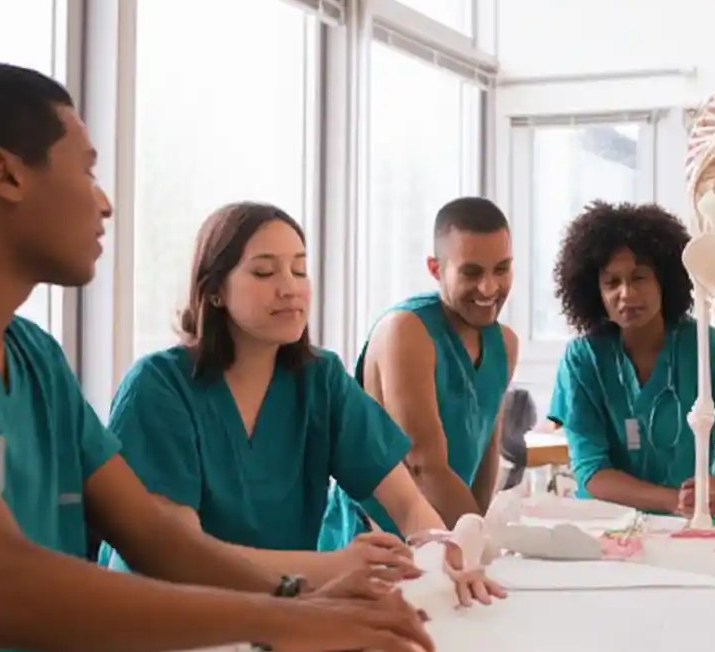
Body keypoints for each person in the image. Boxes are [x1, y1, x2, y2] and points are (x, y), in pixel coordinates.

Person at [0, 60, 431, 652]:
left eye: (298, 267)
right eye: (87, 169)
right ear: (5, 174)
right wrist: (289, 617)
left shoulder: (36, 358)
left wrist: (296, 596)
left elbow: (154, 535)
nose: (105, 202)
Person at [99, 202, 504, 607]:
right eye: (264, 271)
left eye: (299, 269)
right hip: (163, 627)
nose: (289, 287)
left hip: (275, 615)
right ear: (215, 290)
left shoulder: (320, 380)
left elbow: (407, 502)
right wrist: (334, 567)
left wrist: (441, 551)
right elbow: (177, 556)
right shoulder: (158, 388)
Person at [320, 197, 519, 549]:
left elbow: (487, 447)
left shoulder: (504, 343)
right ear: (435, 268)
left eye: (501, 269)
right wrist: (482, 547)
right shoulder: (406, 331)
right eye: (471, 272)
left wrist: (477, 532)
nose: (489, 288)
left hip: (449, 541)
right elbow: (425, 465)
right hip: (373, 544)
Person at [546, 201, 715, 516]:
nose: (626, 293)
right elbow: (592, 471)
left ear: (664, 281)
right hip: (605, 529)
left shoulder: (713, 352)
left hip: (691, 529)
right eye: (612, 282)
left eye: (639, 278)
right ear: (594, 291)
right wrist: (674, 501)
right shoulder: (583, 360)